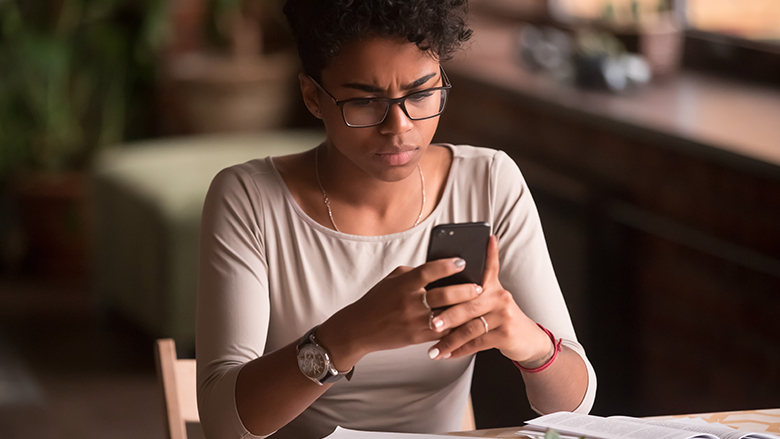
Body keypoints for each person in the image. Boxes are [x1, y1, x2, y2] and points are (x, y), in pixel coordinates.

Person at [196, 1, 596, 438]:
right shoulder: (249, 198)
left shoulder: (488, 182)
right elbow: (221, 424)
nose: (399, 127)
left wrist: (528, 341)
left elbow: (573, 408)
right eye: (366, 101)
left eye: (421, 94)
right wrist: (348, 335)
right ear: (313, 97)